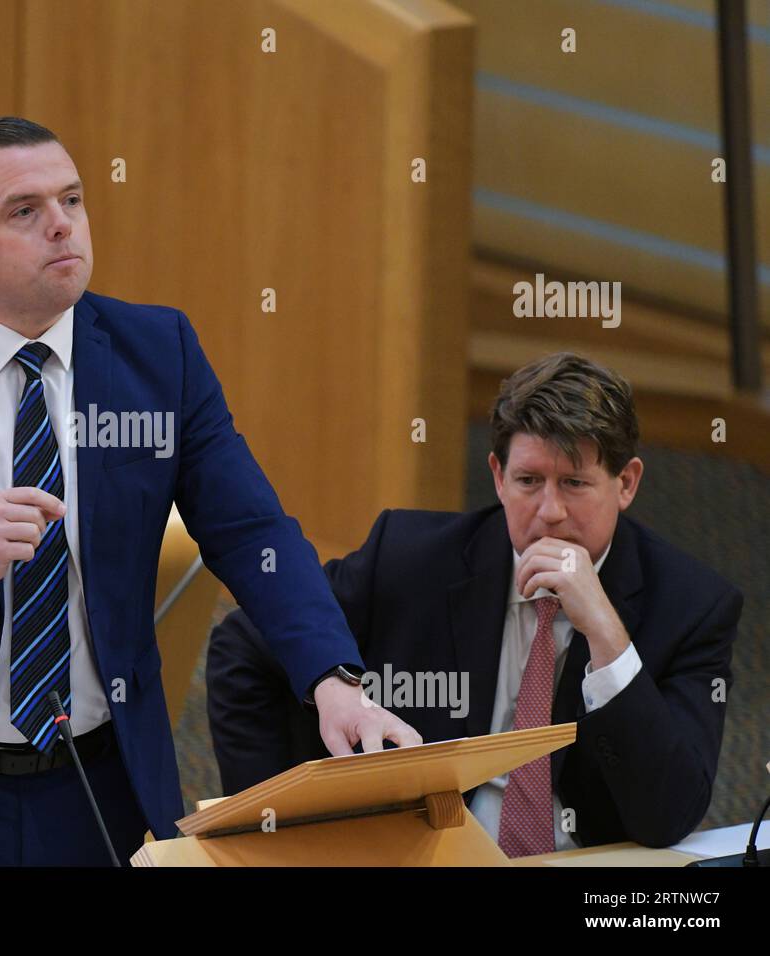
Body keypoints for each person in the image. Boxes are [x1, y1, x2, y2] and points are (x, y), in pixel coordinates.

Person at [0, 116, 421, 866]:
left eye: (73, 200)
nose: (62, 226)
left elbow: (253, 534)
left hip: (93, 795)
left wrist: (331, 678)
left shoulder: (158, 354)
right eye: (25, 210)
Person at [207, 352, 741, 855]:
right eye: (529, 481)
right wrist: (273, 835)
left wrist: (607, 636)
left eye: (575, 483)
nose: (550, 511)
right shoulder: (409, 559)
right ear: (497, 476)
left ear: (626, 483)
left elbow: (668, 815)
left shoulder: (692, 606)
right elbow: (244, 644)